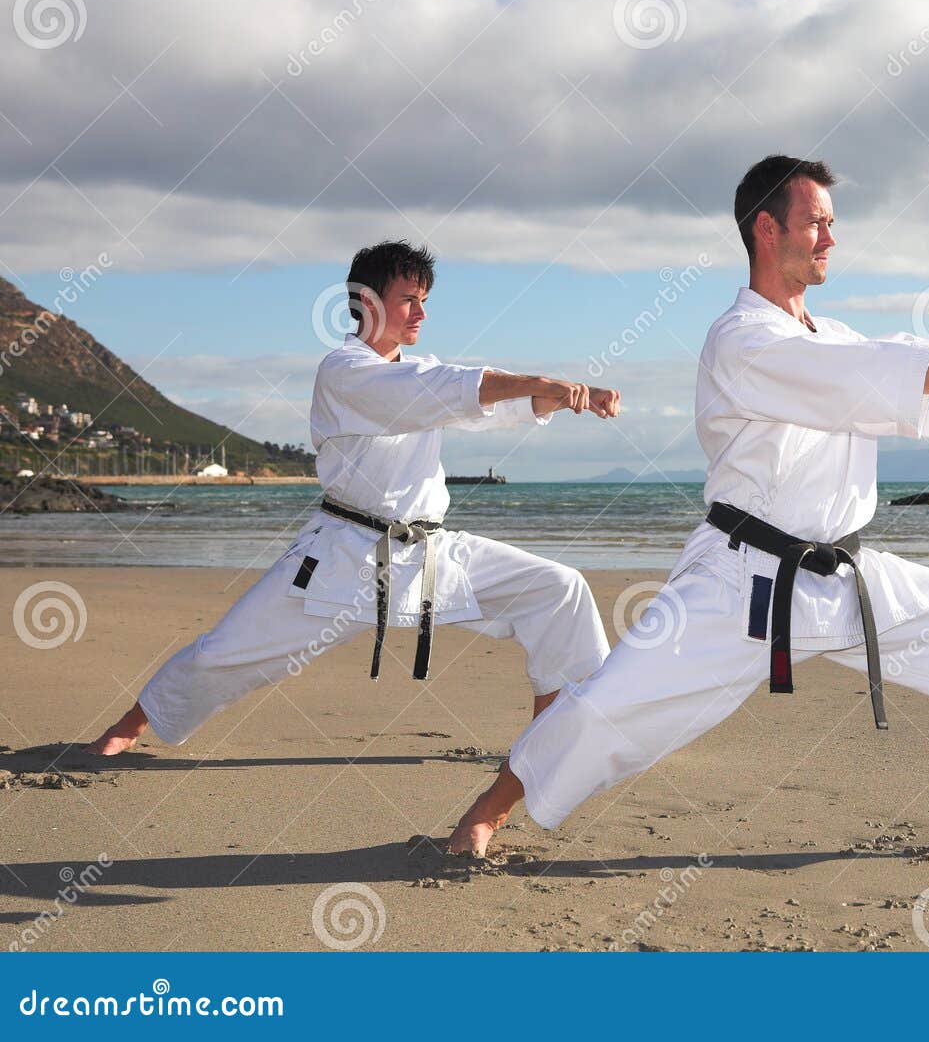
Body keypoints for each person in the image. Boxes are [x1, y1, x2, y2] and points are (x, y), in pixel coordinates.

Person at [448, 156, 929, 860]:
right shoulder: (740, 339)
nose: (831, 238)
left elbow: (920, 382)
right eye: (816, 222)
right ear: (767, 230)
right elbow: (879, 371)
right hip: (742, 580)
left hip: (845, 574)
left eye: (831, 223)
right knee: (609, 707)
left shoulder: (836, 339)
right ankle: (484, 815)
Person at [87, 240, 619, 755]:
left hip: (428, 552)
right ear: (368, 302)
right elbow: (434, 389)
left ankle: (551, 744)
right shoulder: (343, 371)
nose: (421, 313)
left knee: (559, 590)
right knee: (226, 653)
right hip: (343, 556)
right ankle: (129, 725)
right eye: (408, 299)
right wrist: (537, 381)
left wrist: (561, 398)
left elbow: (476, 405)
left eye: (424, 301)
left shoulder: (419, 372)